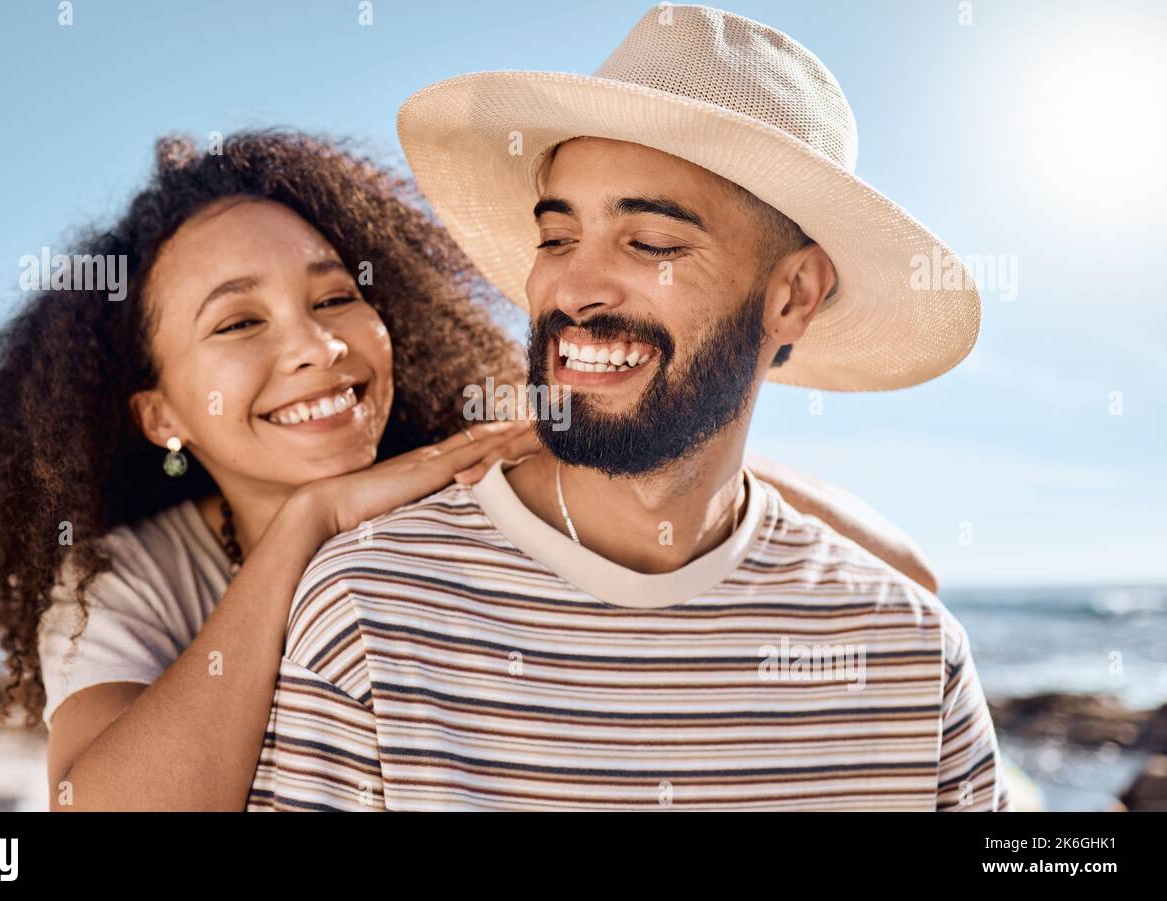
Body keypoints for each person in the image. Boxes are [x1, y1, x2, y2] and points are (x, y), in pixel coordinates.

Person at [0, 129, 936, 811]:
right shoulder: (126, 578)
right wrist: (305, 527)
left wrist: (699, 467)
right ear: (158, 412)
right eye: (239, 322)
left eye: (337, 298)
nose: (313, 347)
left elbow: (906, 582)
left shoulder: (471, 474)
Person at [248, 5, 1009, 811]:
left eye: (651, 243)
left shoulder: (912, 653)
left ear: (793, 295)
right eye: (556, 236)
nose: (571, 289)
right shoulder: (369, 608)